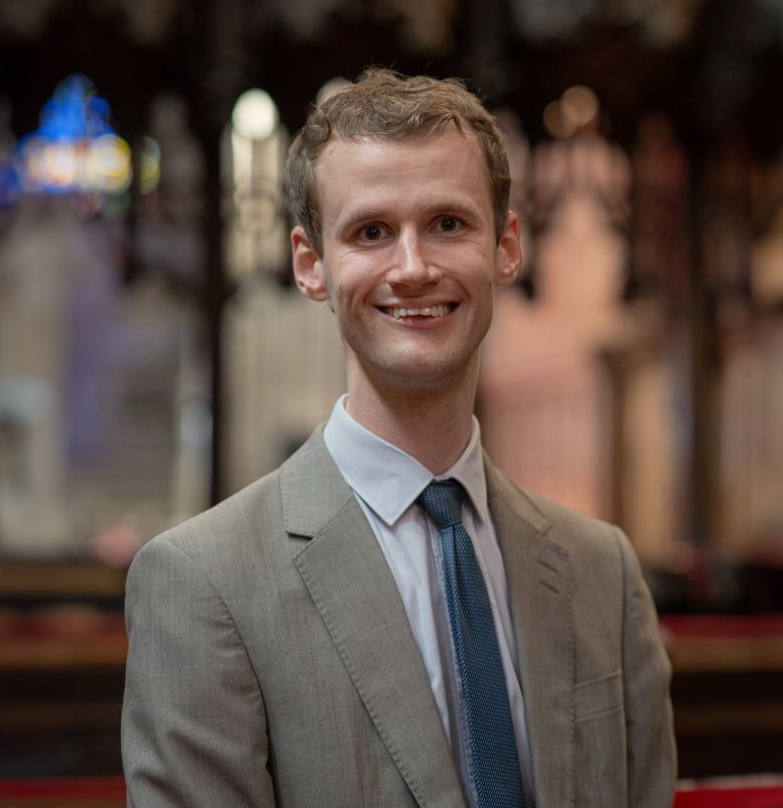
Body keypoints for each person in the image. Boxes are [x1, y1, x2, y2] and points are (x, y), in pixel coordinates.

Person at [121, 69, 676, 808]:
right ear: (311, 264)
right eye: (371, 232)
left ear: (506, 246)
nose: (413, 269)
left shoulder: (601, 574)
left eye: (449, 224)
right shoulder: (205, 584)